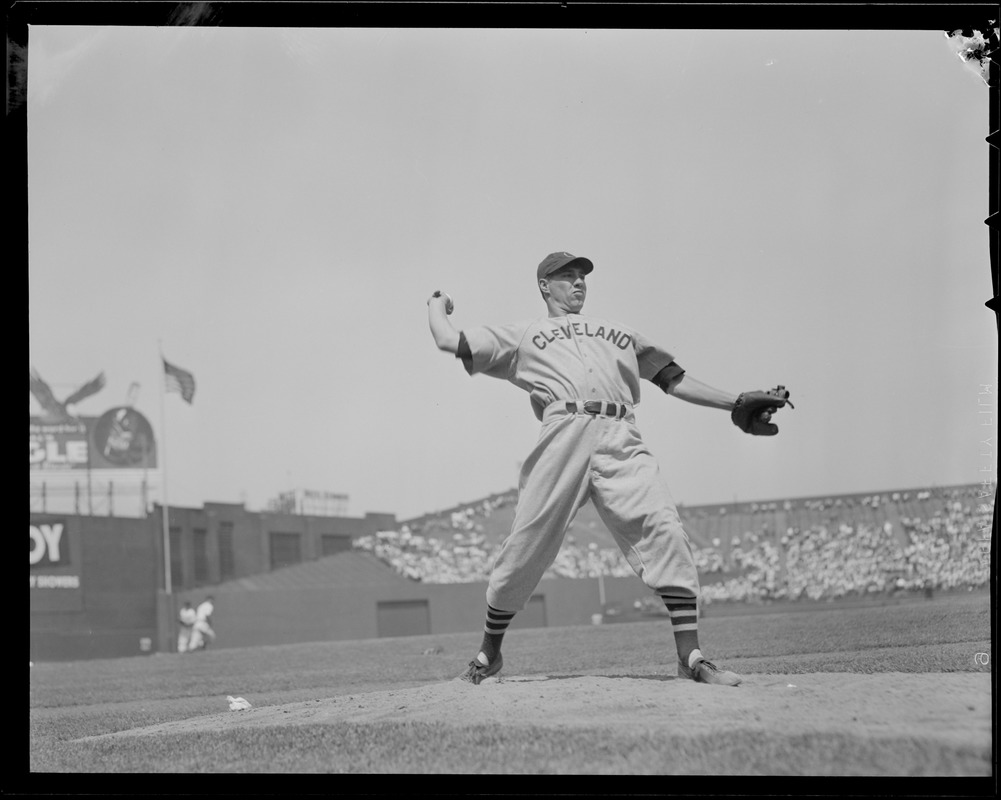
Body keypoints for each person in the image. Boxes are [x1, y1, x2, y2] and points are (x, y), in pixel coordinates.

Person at [427, 251, 792, 687]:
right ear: (544, 285)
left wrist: (733, 401)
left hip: (621, 433)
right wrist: (436, 303)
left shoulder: (620, 334)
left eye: (582, 276)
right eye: (567, 276)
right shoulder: (525, 333)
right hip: (564, 433)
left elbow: (674, 379)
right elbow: (451, 342)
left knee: (664, 529)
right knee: (525, 544)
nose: (579, 282)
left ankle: (691, 657)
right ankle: (489, 653)